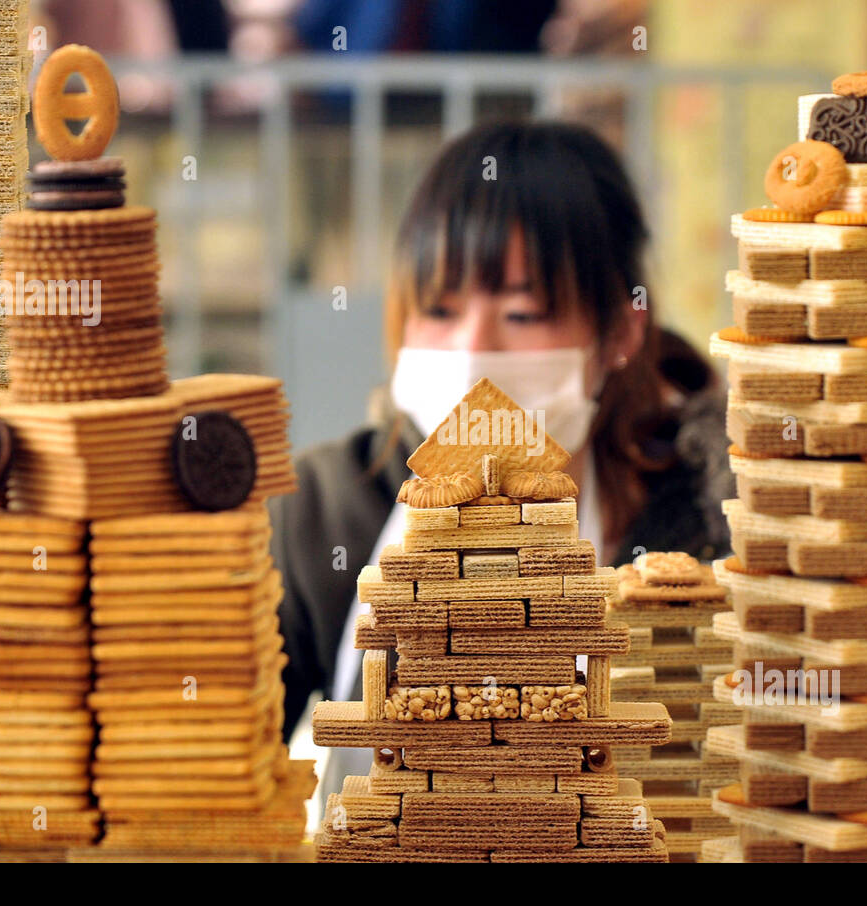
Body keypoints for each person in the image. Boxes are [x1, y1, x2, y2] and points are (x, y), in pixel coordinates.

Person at [269, 120, 733, 790]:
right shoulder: (324, 510)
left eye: (524, 314)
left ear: (621, 332)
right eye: (438, 309)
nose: (471, 354)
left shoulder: (709, 522)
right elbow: (212, 760)